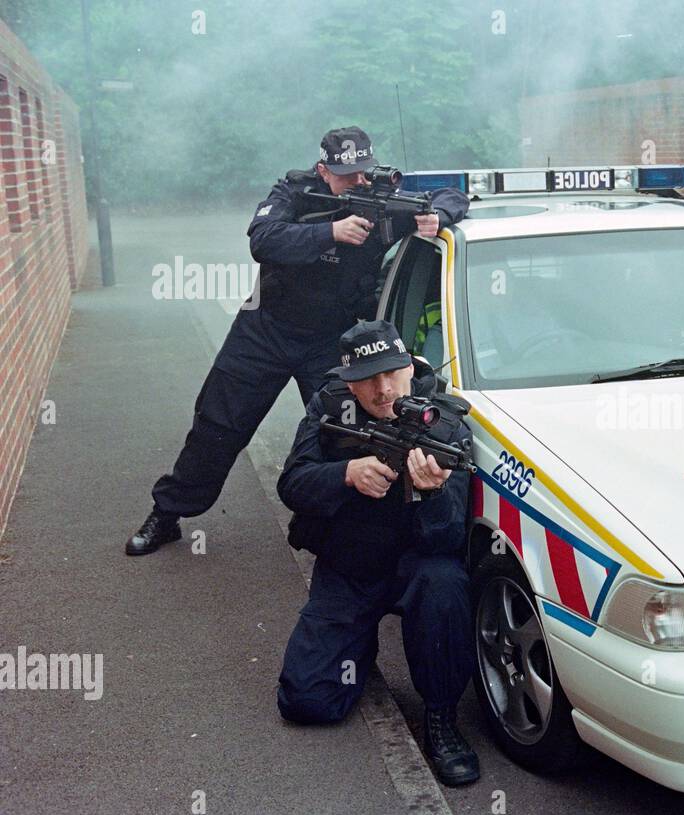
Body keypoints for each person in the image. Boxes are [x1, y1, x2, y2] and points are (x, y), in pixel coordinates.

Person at [125, 126, 470, 556]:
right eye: (347, 176)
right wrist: (330, 233)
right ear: (324, 170)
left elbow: (452, 196)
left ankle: (337, 536)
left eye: (364, 172)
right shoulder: (294, 190)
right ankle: (169, 512)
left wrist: (441, 214)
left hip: (331, 339)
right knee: (218, 424)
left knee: (345, 431)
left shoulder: (383, 199)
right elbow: (263, 239)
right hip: (265, 328)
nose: (358, 182)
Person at [275, 319, 479, 786]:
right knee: (307, 702)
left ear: (409, 366)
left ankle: (442, 718)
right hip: (351, 566)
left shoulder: (443, 423)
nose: (383, 389)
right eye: (368, 378)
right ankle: (356, 644)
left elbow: (449, 538)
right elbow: (293, 483)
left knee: (445, 584)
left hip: (416, 567)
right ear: (349, 381)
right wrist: (346, 473)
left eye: (392, 372)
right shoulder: (331, 406)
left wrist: (431, 494)